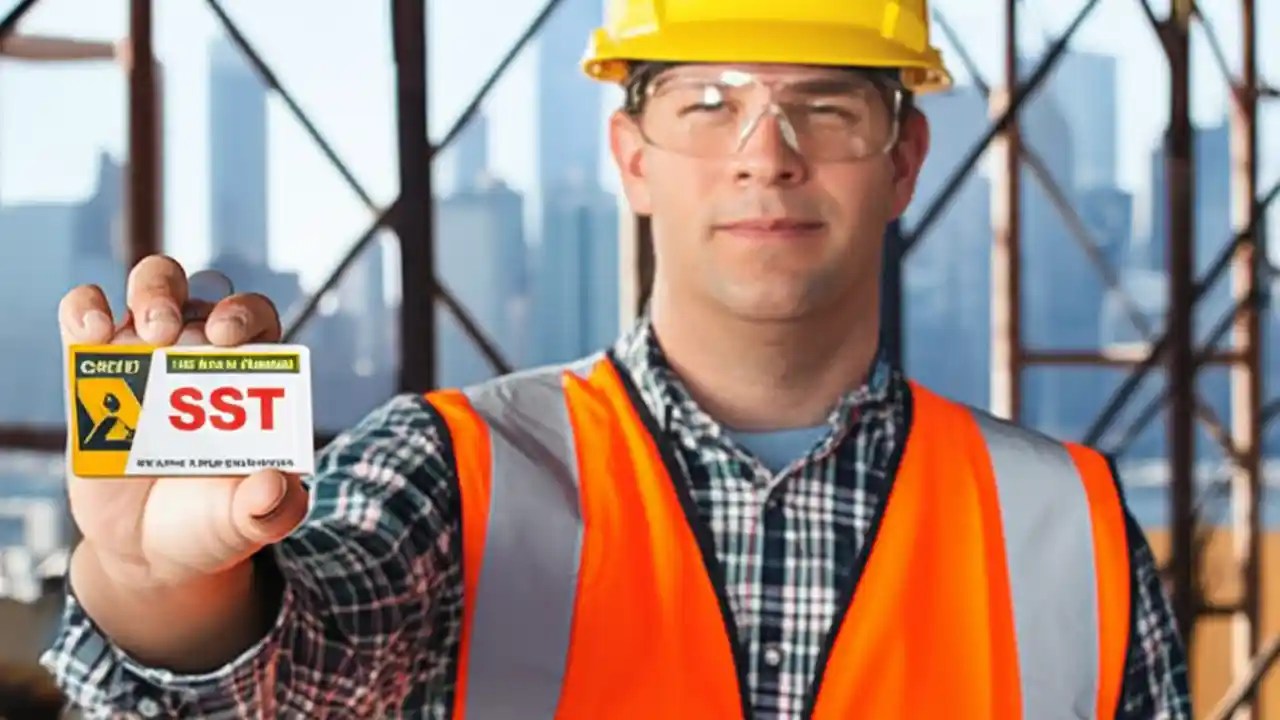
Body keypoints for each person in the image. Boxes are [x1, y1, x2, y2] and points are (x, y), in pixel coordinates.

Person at [43, 0, 1190, 717]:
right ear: (629, 156)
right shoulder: (451, 474)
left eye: (826, 107)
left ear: (902, 160)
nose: (765, 155)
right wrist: (170, 589)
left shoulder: (1068, 527)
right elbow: (297, 675)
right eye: (705, 103)